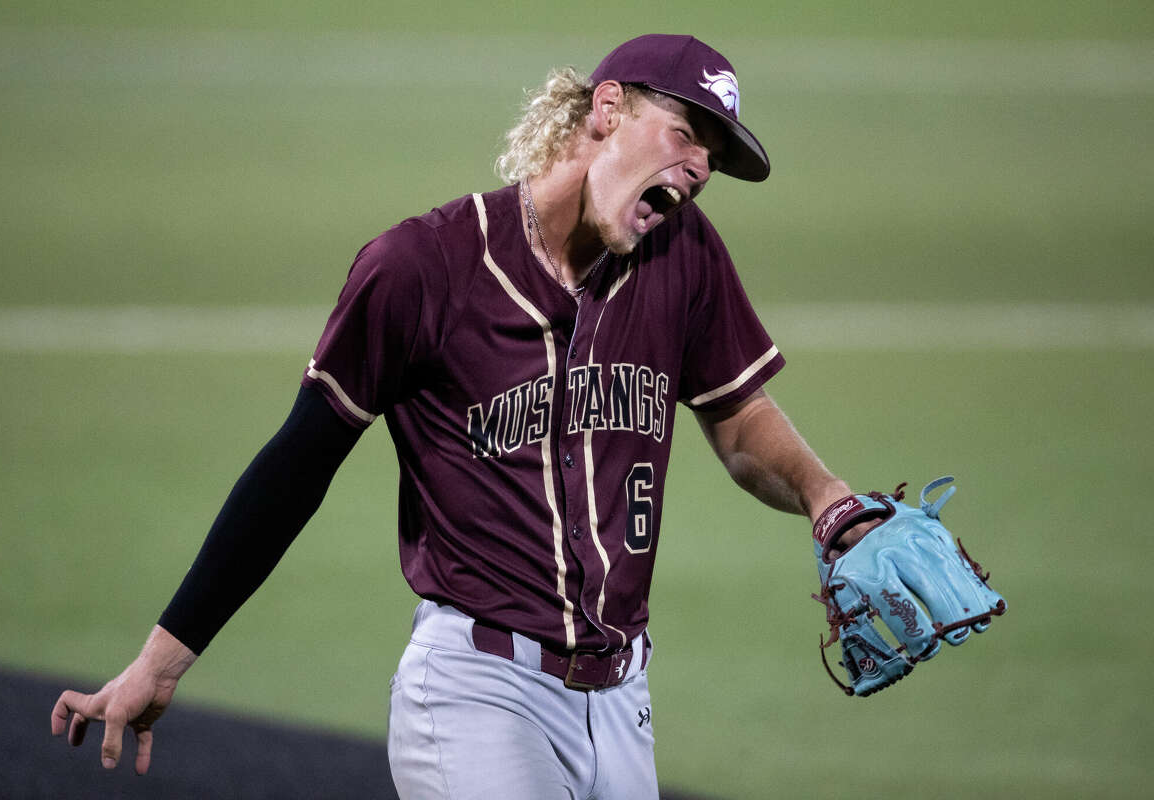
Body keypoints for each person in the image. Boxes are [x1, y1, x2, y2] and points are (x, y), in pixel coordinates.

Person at [51, 34, 870, 798]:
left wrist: (824, 496)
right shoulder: (423, 268)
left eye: (714, 158)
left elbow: (738, 416)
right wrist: (164, 660)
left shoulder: (683, 255)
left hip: (624, 702)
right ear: (608, 108)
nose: (698, 170)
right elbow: (298, 464)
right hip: (480, 693)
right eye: (688, 133)